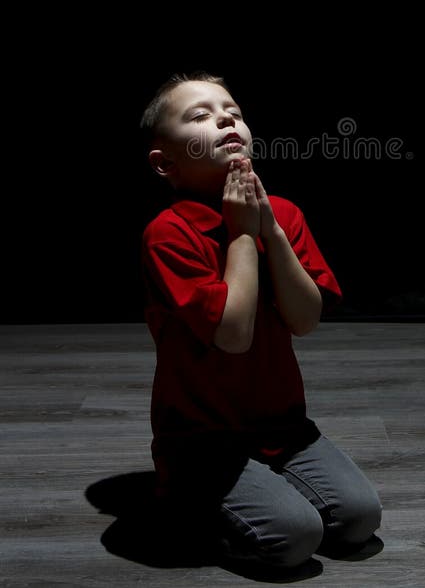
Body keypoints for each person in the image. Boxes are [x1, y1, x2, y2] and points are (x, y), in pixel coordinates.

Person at [139, 71, 382, 571]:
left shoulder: (285, 213)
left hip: (282, 426)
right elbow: (232, 335)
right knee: (294, 539)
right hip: (202, 440)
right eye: (199, 116)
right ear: (166, 164)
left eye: (233, 111)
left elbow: (305, 319)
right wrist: (242, 236)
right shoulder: (169, 233)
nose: (225, 117)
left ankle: (269, 485)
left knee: (359, 520)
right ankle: (185, 505)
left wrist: (268, 228)